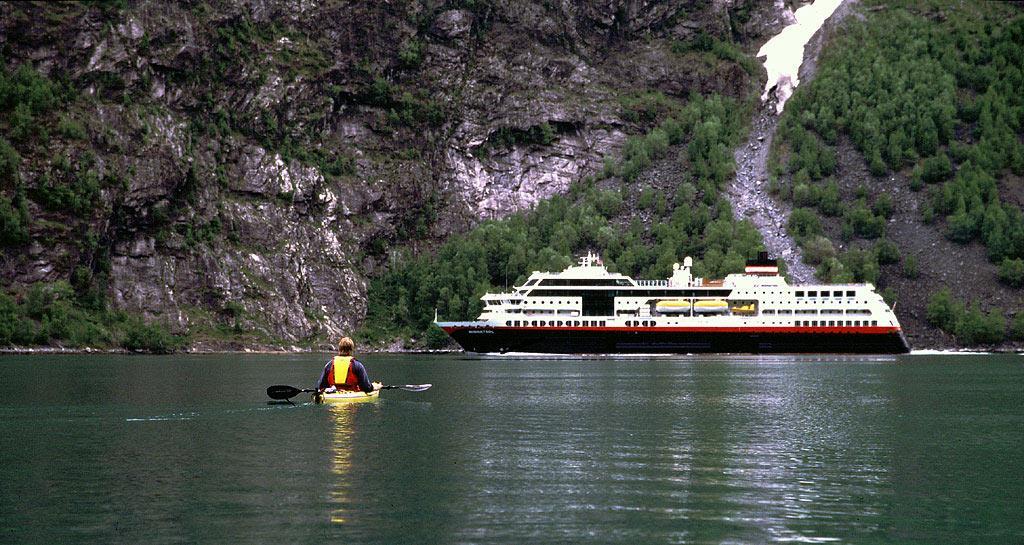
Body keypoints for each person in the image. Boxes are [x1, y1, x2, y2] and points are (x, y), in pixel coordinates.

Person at [315, 337, 380, 397]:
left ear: (339, 349)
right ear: (351, 350)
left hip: (332, 396)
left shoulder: (329, 365)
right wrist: (374, 387)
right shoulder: (357, 365)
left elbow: (321, 386)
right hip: (351, 397)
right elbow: (366, 387)